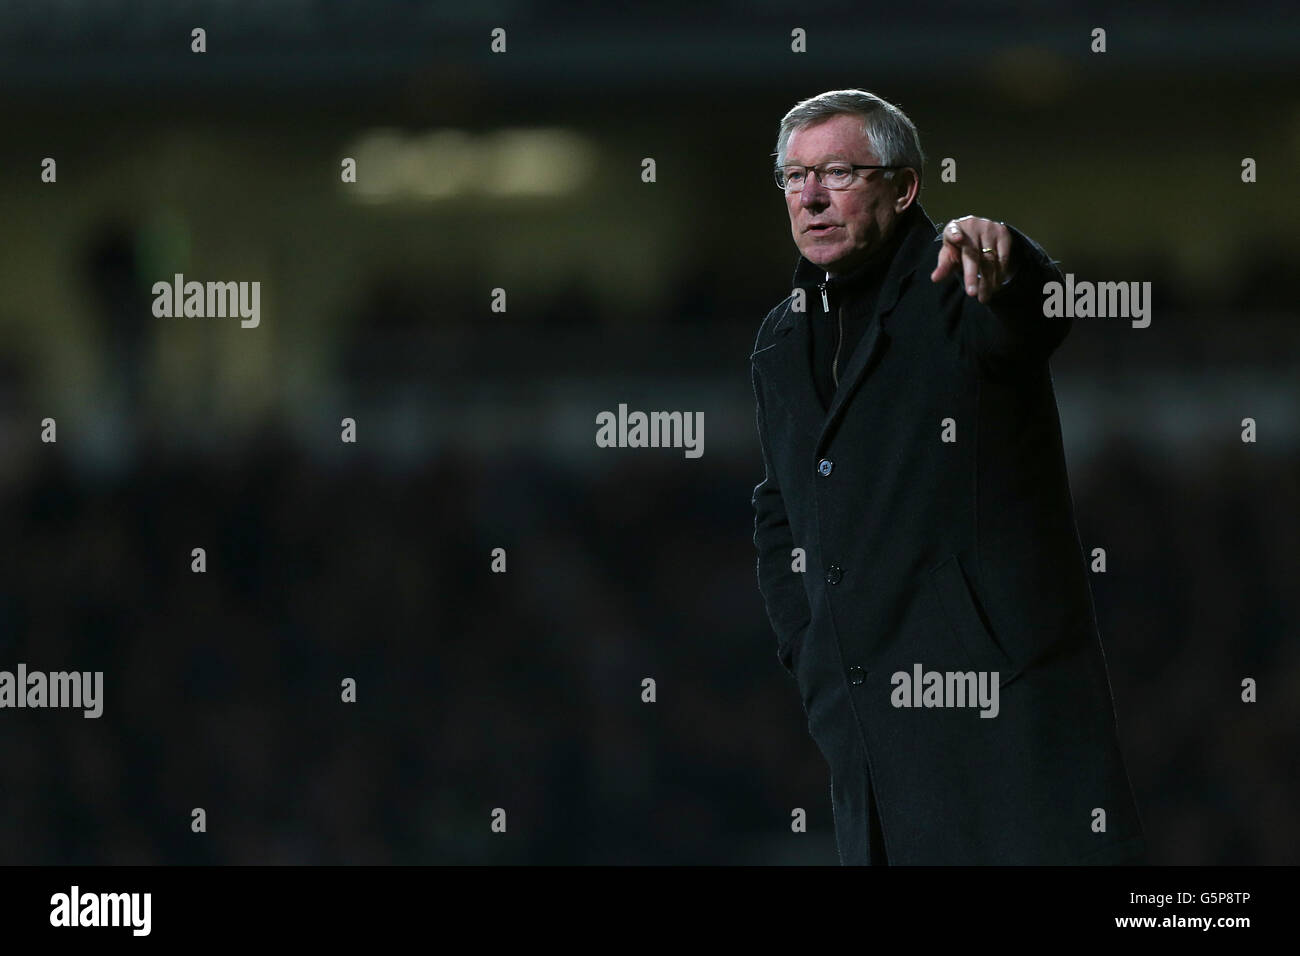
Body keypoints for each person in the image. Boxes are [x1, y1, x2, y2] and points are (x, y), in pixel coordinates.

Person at [750, 89, 1146, 864]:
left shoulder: (959, 284)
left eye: (837, 171)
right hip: (863, 721)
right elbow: (780, 508)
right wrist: (810, 645)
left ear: (903, 188)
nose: (812, 196)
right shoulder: (780, 337)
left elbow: (1035, 314)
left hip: (996, 715)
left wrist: (1009, 258)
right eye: (794, 177)